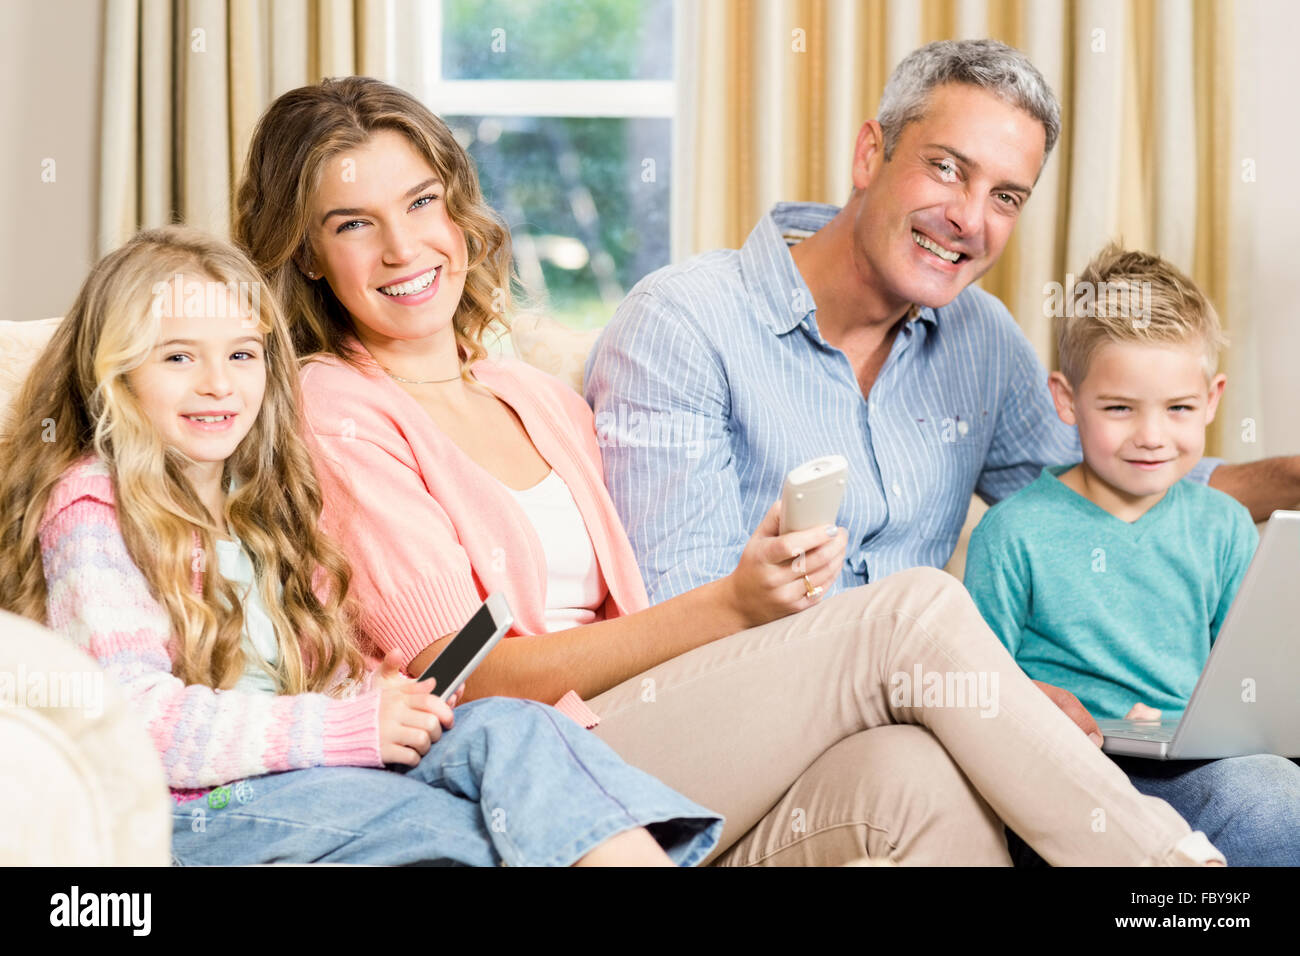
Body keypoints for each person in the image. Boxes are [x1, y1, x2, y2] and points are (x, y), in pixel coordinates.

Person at [233, 75, 1225, 866]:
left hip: (652, 743)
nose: (405, 245)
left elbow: (1109, 471)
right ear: (310, 255)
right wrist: (736, 604)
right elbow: (471, 677)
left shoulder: (523, 389)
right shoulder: (336, 406)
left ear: (457, 209)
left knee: (915, 775)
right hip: (532, 763)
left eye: (420, 202)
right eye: (353, 222)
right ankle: (1175, 884)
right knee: (910, 613)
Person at [584, 38, 1300, 749]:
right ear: (871, 154)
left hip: (922, 724)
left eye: (1005, 197)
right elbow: (684, 623)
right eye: (947, 169)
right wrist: (979, 692)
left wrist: (1289, 480)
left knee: (1262, 799)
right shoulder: (682, 323)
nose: (969, 218)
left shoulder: (976, 338)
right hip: (750, 730)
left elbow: (1115, 466)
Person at [0, 225, 722, 866]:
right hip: (197, 816)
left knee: (511, 725)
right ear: (115, 373)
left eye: (242, 354)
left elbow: (314, 679)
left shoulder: (263, 503)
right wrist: (345, 726)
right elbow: (133, 720)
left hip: (317, 781)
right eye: (179, 358)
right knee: (474, 834)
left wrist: (378, 701)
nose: (218, 384)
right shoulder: (95, 506)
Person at [963, 244, 1300, 866]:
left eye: (1178, 409)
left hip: (1197, 771)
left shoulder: (1223, 525)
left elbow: (1246, 682)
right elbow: (978, 691)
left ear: (1213, 399)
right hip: (1071, 776)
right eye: (1119, 408)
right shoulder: (1014, 533)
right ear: (1066, 401)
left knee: (1275, 794)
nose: (1151, 436)